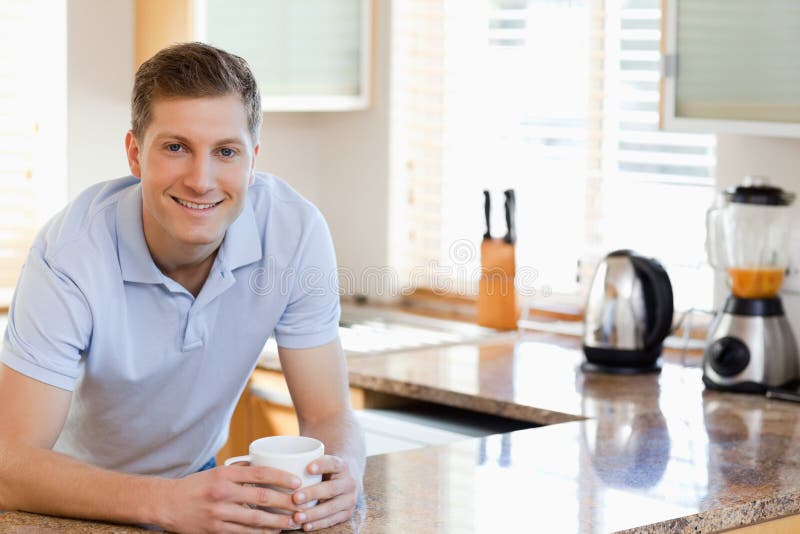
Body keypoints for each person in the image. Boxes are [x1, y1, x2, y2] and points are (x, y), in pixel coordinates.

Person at [0, 42, 364, 533]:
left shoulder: (294, 232)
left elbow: (329, 413)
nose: (201, 180)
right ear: (135, 153)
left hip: (195, 487)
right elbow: (11, 468)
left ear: (252, 161)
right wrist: (166, 503)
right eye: (176, 147)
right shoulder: (71, 253)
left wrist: (343, 472)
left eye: (226, 152)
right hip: (69, 499)